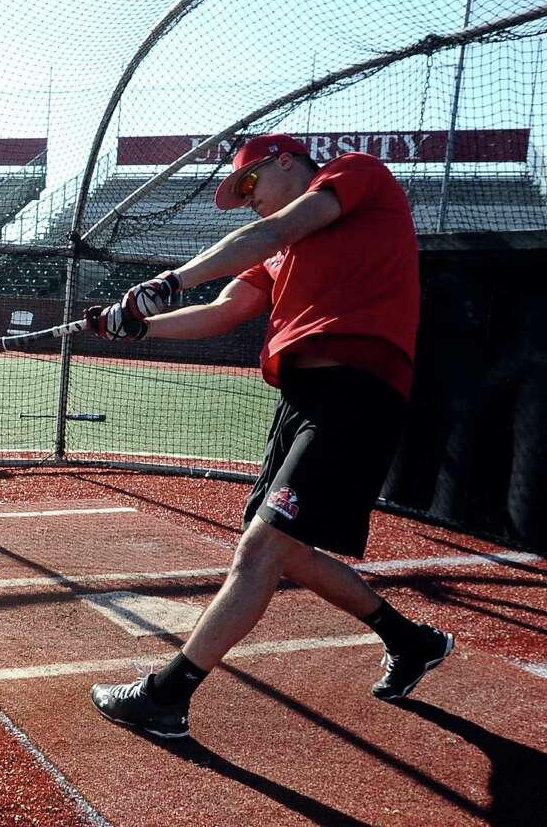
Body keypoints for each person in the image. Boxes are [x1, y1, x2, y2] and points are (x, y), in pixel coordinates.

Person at [85, 133, 453, 739]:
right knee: (288, 550)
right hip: (302, 399)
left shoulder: (354, 174)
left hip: (356, 390)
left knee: (261, 550)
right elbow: (223, 311)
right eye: (240, 194)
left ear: (286, 161)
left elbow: (275, 229)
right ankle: (409, 641)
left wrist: (170, 282)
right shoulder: (275, 252)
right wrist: (140, 327)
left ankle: (166, 697)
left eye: (250, 183)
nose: (247, 199)